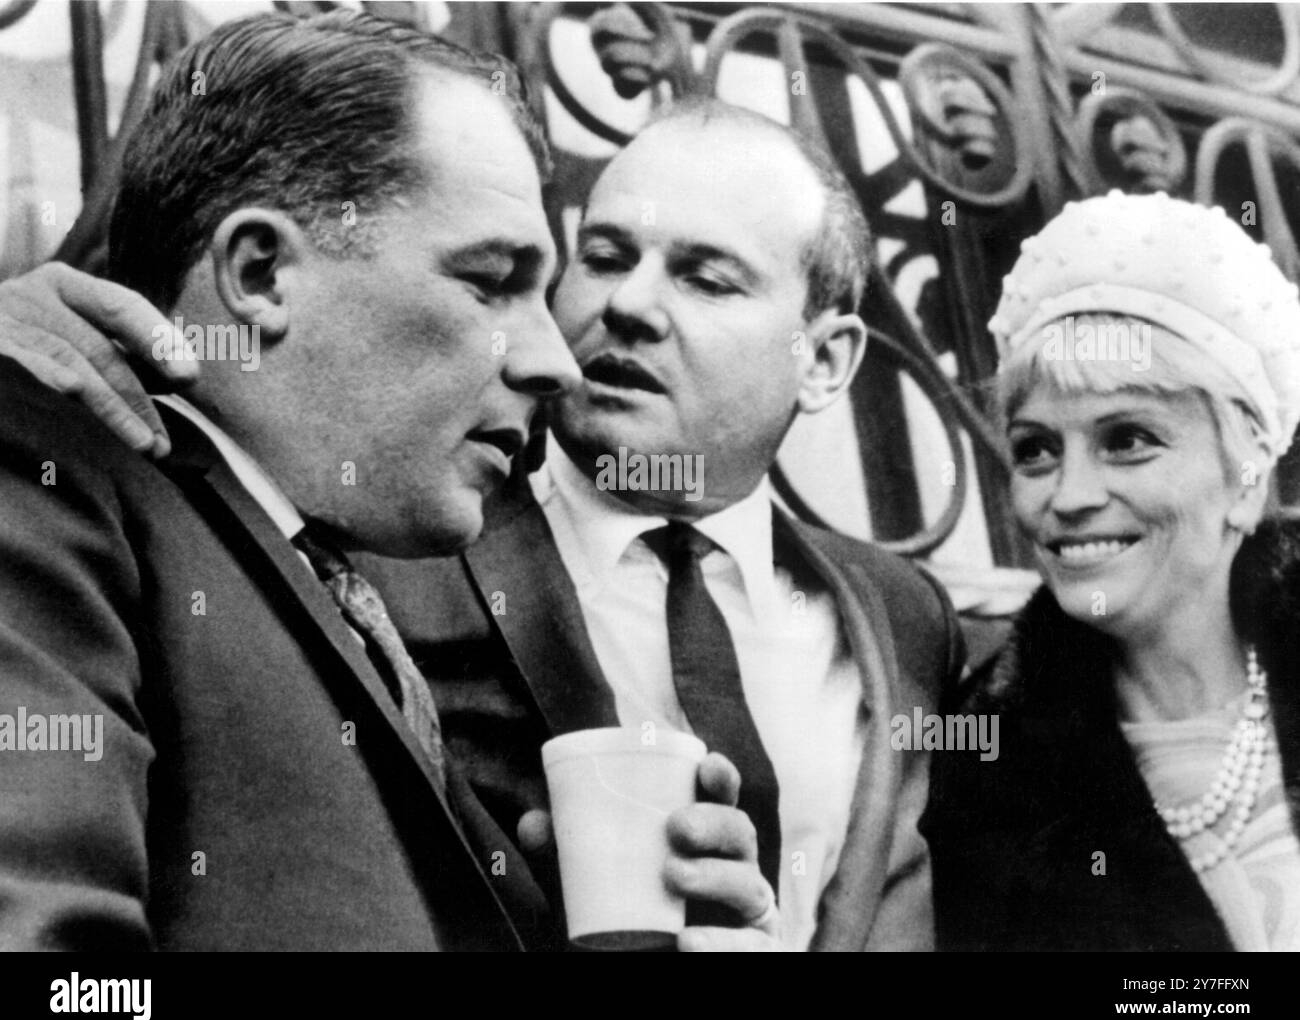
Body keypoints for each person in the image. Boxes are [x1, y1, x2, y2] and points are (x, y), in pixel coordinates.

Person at [4, 99, 966, 950]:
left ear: (824, 360)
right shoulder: (372, 526)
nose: (628, 305)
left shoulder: (904, 618)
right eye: (604, 257)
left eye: (707, 279)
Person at [921, 190, 1300, 951]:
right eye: (1035, 450)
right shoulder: (990, 764)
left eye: (1127, 440)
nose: (1069, 497)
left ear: (1246, 473)